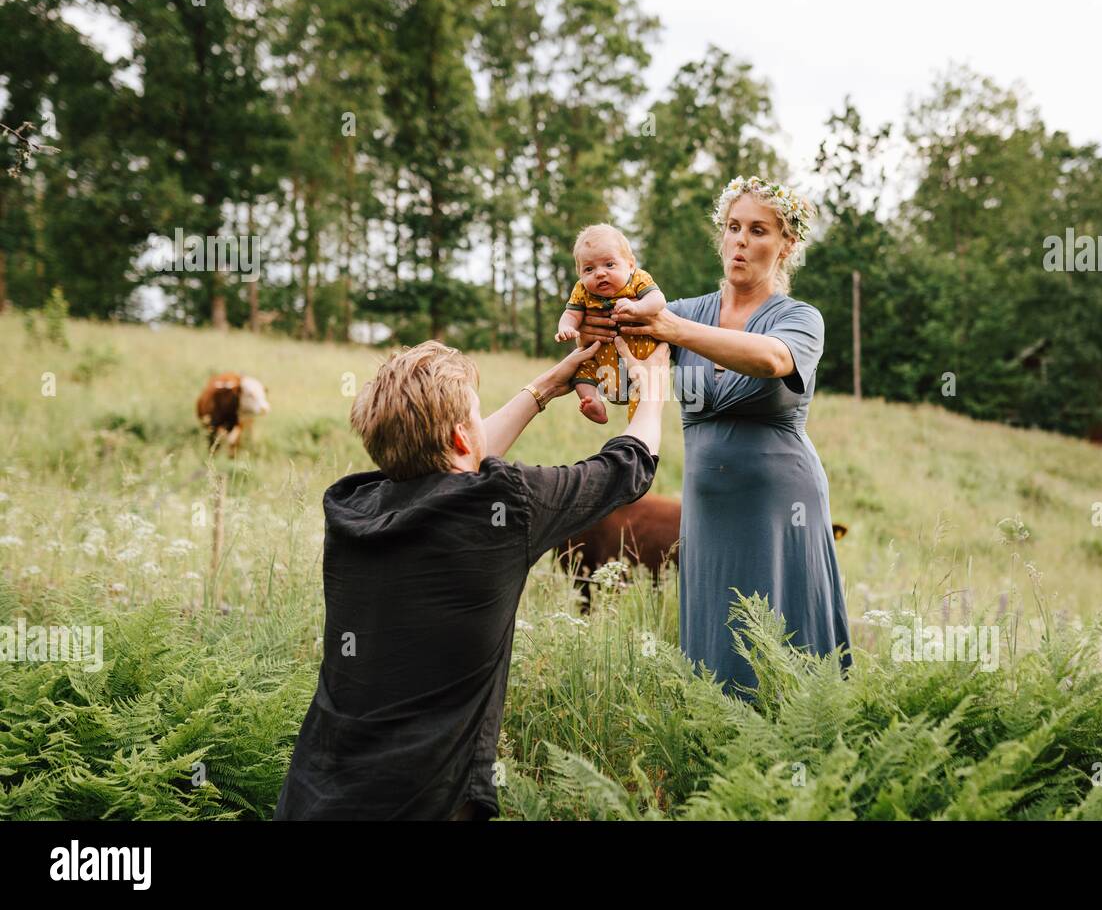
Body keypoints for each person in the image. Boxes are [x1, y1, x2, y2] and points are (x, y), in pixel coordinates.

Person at [274, 335, 671, 820]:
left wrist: (544, 388)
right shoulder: (505, 506)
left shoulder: (352, 510)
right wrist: (652, 387)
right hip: (425, 803)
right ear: (465, 437)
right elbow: (629, 465)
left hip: (313, 795)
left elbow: (441, 465)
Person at [578, 175, 852, 699]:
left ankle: (806, 755)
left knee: (789, 654)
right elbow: (626, 382)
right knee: (718, 651)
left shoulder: (800, 319)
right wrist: (593, 343)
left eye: (758, 230)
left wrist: (669, 329)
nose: (741, 241)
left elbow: (773, 359)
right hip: (707, 506)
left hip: (781, 506)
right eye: (732, 228)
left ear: (786, 245)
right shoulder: (681, 310)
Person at [554, 223, 666, 424]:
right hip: (601, 367)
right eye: (589, 269)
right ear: (580, 274)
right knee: (580, 368)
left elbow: (658, 300)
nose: (600, 273)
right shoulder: (582, 290)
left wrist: (638, 308)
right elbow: (571, 314)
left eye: (609, 265)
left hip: (639, 363)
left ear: (630, 265)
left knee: (643, 398)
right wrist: (566, 327)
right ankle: (594, 403)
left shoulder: (638, 279)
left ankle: (638, 430)